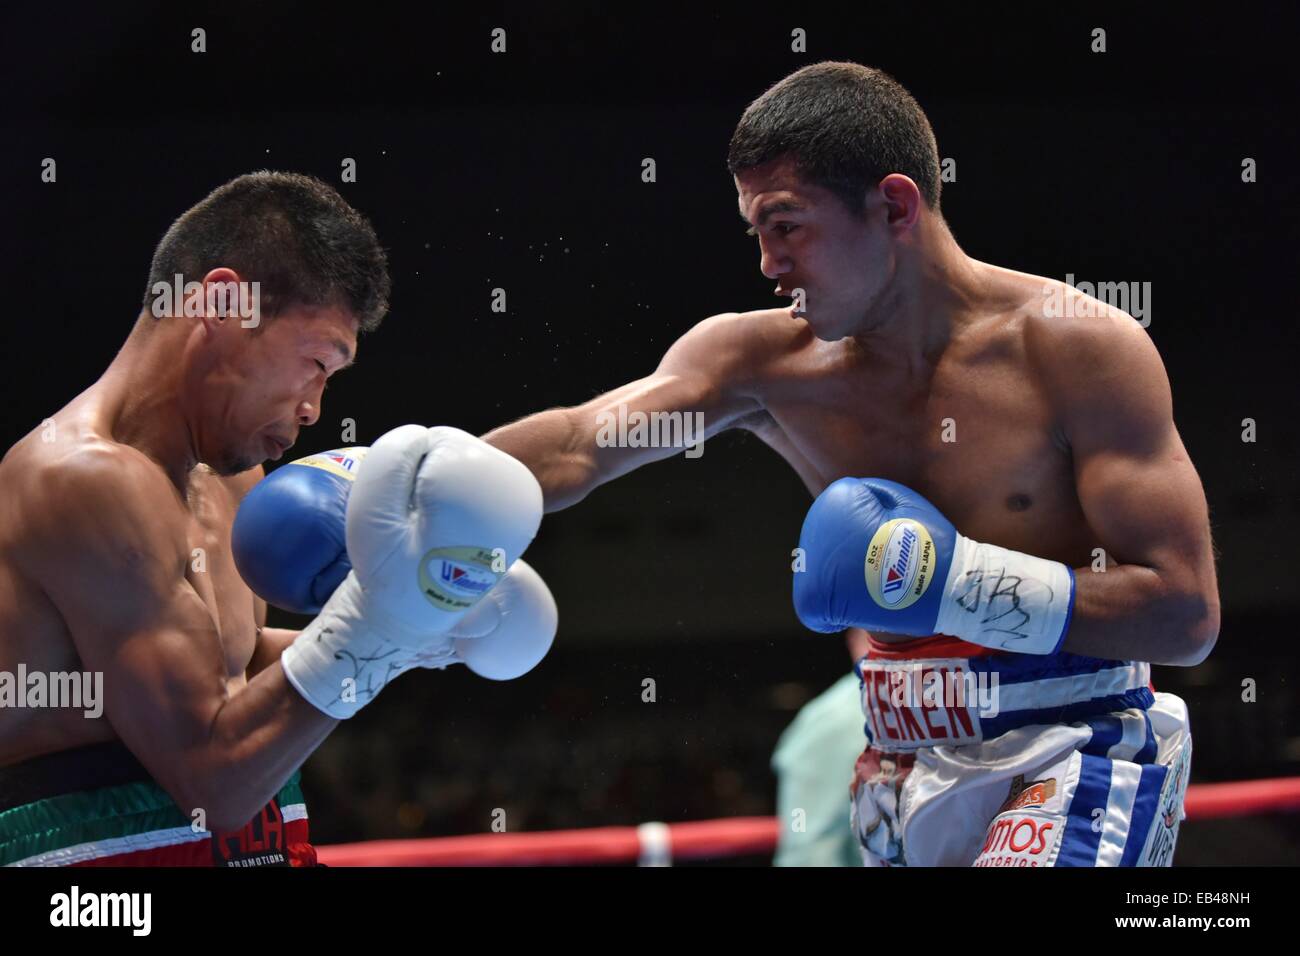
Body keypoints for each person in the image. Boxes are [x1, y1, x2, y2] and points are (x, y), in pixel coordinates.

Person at [482, 62, 1218, 866]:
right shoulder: (763, 364)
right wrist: (389, 488)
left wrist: (960, 583)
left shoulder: (1077, 349)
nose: (768, 263)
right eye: (755, 231)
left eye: (788, 225)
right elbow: (577, 444)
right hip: (896, 766)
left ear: (894, 205)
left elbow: (1185, 614)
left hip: (1068, 747)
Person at [0, 172, 554, 866]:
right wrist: (381, 624)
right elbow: (213, 782)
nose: (315, 408)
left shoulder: (230, 481)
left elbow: (225, 662)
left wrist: (426, 635)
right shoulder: (78, 480)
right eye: (316, 362)